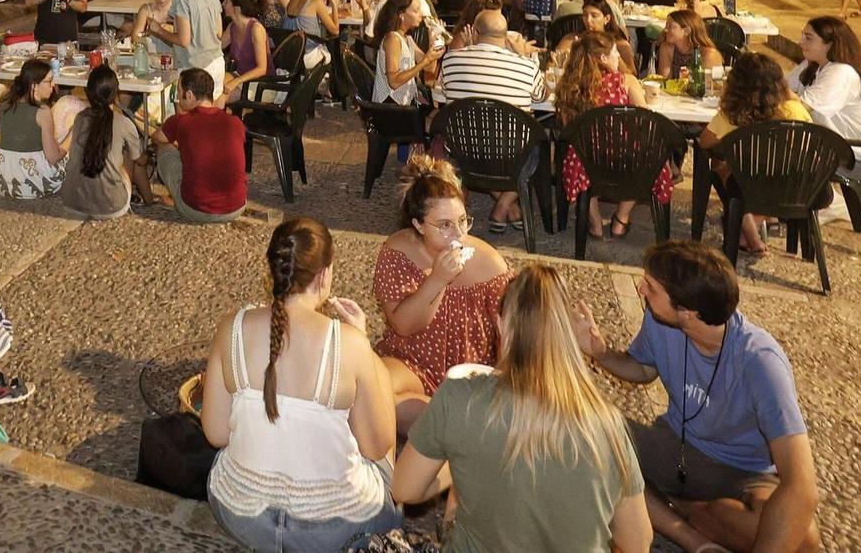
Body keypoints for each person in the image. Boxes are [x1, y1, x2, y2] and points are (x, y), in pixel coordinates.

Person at [572, 242, 820, 553]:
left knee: (804, 539)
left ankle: (670, 505)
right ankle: (696, 536)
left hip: (743, 474)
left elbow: (802, 487)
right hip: (674, 445)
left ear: (687, 312)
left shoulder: (760, 360)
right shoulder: (661, 320)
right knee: (581, 435)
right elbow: (644, 369)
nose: (641, 289)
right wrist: (600, 353)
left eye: (651, 287)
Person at [393, 264, 652, 552]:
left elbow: (405, 489)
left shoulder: (459, 399)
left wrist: (460, 463)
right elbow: (637, 542)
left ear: (502, 324)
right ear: (566, 334)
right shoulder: (607, 424)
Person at [201, 217, 400, 552]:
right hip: (334, 531)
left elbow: (216, 434)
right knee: (383, 458)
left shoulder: (231, 328)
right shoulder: (348, 343)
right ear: (324, 274)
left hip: (242, 515)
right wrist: (365, 346)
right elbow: (377, 445)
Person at [374, 155, 511, 430]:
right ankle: (451, 426)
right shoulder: (398, 252)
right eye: (445, 225)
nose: (458, 234)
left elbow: (512, 332)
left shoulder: (489, 263)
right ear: (418, 225)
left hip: (468, 374)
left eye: (462, 220)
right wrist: (437, 280)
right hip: (411, 360)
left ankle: (439, 426)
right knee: (373, 393)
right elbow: (402, 325)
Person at [700, 52, 812, 256]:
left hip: (750, 186)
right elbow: (807, 148)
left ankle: (749, 233)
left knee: (721, 165)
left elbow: (705, 142)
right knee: (766, 173)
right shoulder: (794, 110)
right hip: (797, 187)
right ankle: (757, 225)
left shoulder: (732, 115)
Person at [555, 32, 665, 240]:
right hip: (626, 160)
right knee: (653, 157)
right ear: (604, 58)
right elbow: (646, 121)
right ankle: (621, 218)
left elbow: (567, 130)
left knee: (575, 154)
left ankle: (595, 223)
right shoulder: (628, 82)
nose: (618, 57)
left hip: (587, 162)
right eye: (615, 52)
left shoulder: (569, 87)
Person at [787, 16, 861, 215]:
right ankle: (768, 212)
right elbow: (784, 87)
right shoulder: (813, 64)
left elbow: (801, 108)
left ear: (830, 44)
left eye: (808, 38)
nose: (800, 42)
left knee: (770, 155)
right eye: (802, 36)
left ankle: (818, 202)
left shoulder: (842, 73)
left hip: (857, 158)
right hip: (831, 148)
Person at [150, 66, 247, 222]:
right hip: (237, 207)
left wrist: (177, 143)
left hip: (196, 210)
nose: (178, 98)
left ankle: (176, 196)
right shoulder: (235, 122)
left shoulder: (181, 121)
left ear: (189, 95)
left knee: (165, 149)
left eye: (179, 93)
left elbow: (157, 138)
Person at [60, 65, 154, 219]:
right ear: (116, 93)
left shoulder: (80, 118)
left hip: (72, 201)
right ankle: (149, 200)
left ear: (87, 92)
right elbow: (140, 160)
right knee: (132, 155)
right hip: (111, 206)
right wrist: (149, 156)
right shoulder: (124, 123)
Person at [0, 58, 73, 200]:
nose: (53, 85)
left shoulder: (6, 105)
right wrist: (72, 134)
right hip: (31, 183)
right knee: (68, 154)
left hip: (2, 180)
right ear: (34, 86)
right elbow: (53, 157)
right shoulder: (42, 111)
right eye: (49, 81)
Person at [152, 0, 226, 98]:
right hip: (217, 63)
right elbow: (218, 32)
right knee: (210, 115)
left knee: (185, 112)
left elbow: (183, 40)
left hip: (196, 69)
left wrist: (158, 29)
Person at [434, 10, 544, 107]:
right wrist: (522, 55)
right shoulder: (528, 68)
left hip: (462, 130)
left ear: (474, 32)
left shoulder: (450, 61)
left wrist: (468, 49)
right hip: (508, 130)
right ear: (506, 36)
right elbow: (541, 96)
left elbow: (445, 91)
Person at [221, 0, 272, 106]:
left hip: (261, 82)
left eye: (227, 1)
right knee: (212, 87)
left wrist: (235, 81)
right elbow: (216, 48)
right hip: (241, 76)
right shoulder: (232, 27)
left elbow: (262, 69)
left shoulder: (256, 29)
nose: (223, 4)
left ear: (237, 8)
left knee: (222, 96)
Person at [652, 10, 725, 80]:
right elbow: (663, 83)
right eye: (666, 26)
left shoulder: (709, 55)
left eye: (670, 26)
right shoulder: (667, 48)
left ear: (686, 31)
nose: (665, 29)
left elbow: (712, 87)